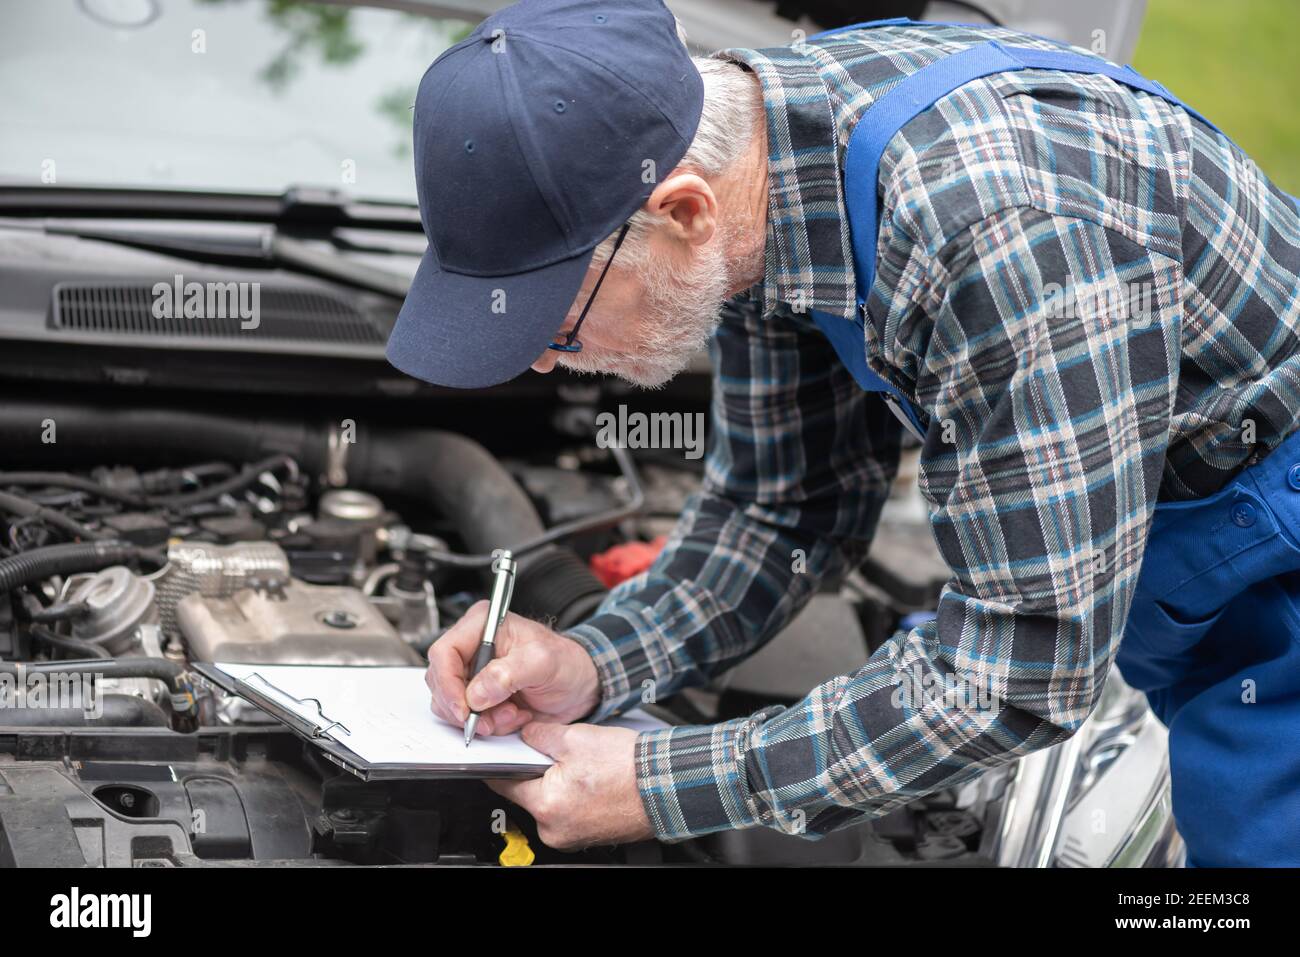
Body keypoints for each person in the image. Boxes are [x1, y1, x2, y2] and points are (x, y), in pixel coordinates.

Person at [387, 0, 1300, 866]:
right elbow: (782, 512)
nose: (546, 362)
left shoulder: (1003, 229)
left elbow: (1017, 671)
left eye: (558, 319)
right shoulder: (757, 184)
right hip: (1189, 567)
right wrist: (594, 661)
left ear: (681, 212)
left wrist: (662, 783)